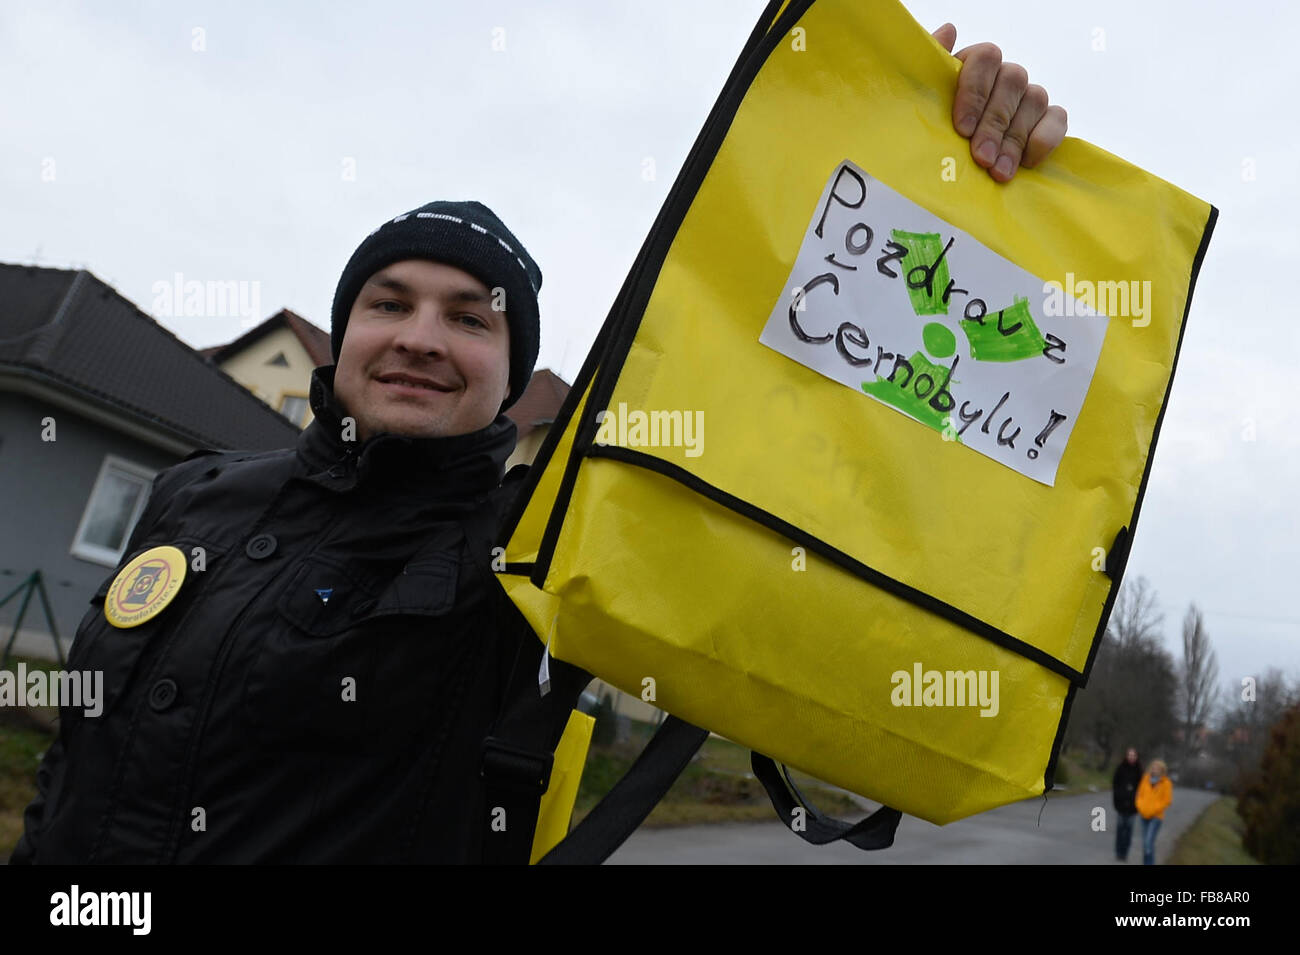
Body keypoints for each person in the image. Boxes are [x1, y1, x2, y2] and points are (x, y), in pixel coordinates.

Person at [12, 23, 1067, 864]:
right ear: (343, 335)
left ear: (510, 376)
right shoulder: (197, 496)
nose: (421, 337)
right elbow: (81, 759)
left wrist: (911, 171)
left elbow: (798, 460)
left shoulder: (537, 552)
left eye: (471, 318)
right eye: (390, 302)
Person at [1135, 758, 1174, 865]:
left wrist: (1154, 809)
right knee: (1145, 844)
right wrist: (1140, 806)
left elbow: (1167, 801)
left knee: (1148, 842)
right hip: (1143, 815)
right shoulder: (1145, 779)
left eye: (1157, 768)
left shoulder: (1166, 783)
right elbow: (1139, 794)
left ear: (1162, 771)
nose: (1154, 770)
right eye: (1153, 767)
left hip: (1156, 817)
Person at [1112, 747, 1143, 861]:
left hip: (1133, 807)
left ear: (1136, 757)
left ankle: (1125, 853)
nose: (1131, 757)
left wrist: (1138, 804)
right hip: (1121, 805)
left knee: (1128, 832)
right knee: (1120, 831)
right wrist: (1117, 800)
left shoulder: (1139, 771)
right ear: (1126, 756)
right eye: (1129, 755)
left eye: (1133, 755)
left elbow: (1142, 790)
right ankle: (1118, 852)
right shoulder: (1120, 768)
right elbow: (1115, 785)